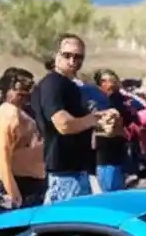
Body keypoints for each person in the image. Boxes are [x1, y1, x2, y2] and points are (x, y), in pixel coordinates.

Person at [32, 33, 118, 203]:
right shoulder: (53, 84)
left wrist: (104, 121)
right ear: (55, 56)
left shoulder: (70, 86)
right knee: (67, 227)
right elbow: (63, 124)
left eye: (78, 56)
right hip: (64, 174)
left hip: (77, 171)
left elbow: (80, 126)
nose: (73, 61)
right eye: (67, 55)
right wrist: (94, 119)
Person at [0, 68, 46, 209]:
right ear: (7, 90)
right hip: (21, 185)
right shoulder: (8, 114)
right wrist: (12, 193)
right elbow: (0, 158)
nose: (25, 95)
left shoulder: (21, 112)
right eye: (20, 92)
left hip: (31, 183)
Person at [91, 69, 137, 191]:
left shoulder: (119, 102)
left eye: (112, 80)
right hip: (106, 155)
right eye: (104, 81)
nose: (109, 84)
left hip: (113, 156)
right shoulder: (96, 102)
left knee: (111, 195)